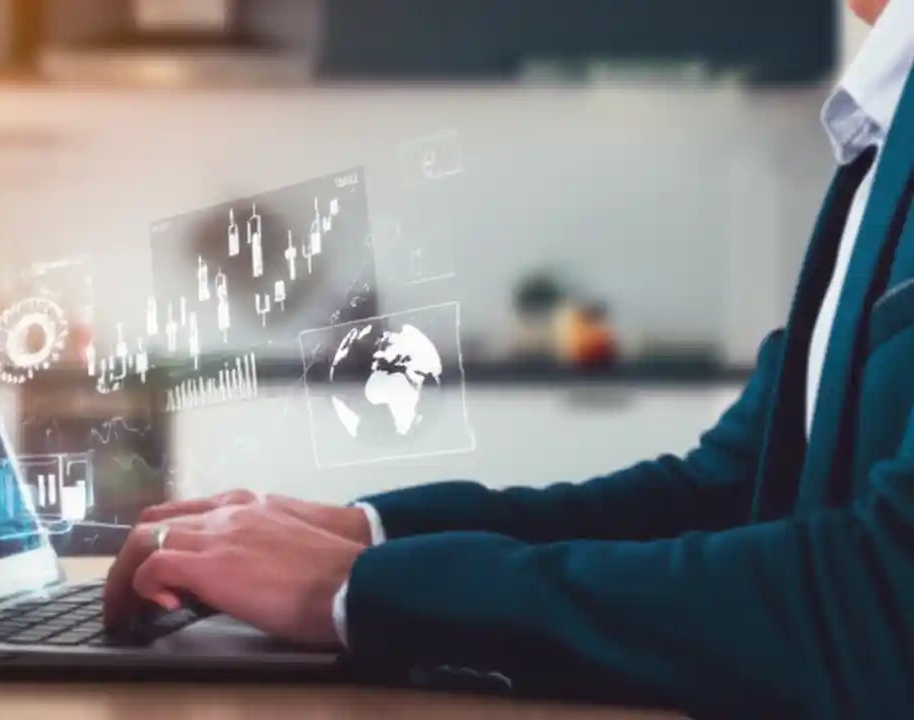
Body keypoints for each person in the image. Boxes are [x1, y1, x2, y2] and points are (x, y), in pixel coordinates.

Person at [103, 1, 914, 716]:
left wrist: (359, 591)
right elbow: (731, 493)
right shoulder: (886, 116)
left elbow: (887, 610)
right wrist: (370, 538)